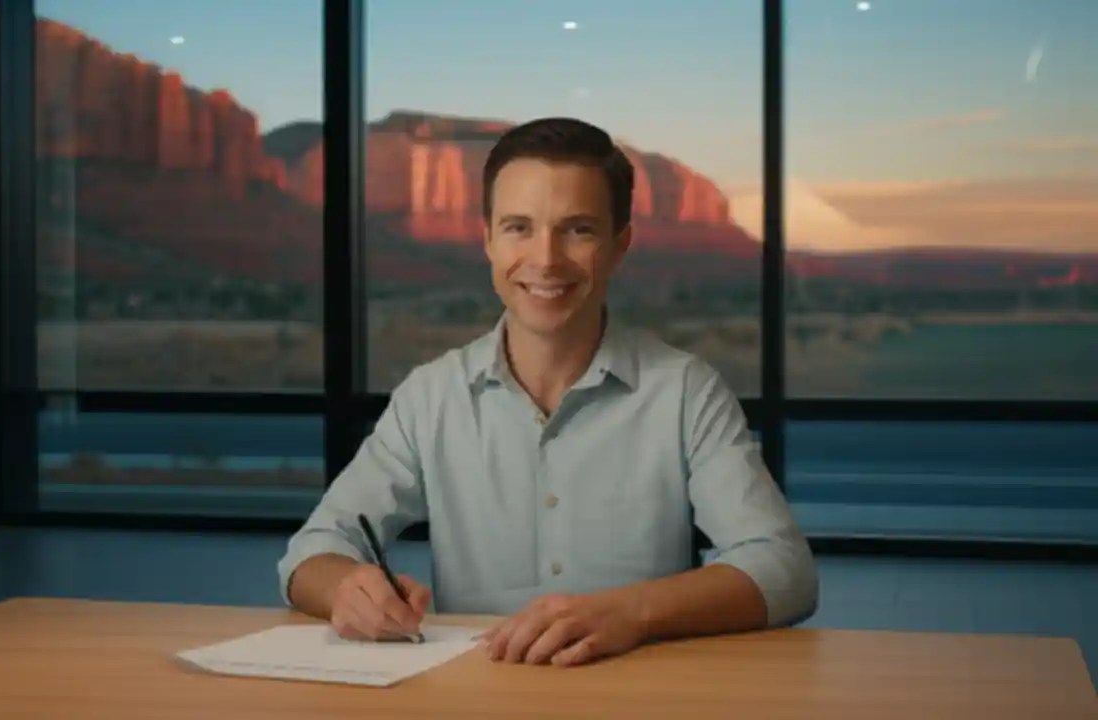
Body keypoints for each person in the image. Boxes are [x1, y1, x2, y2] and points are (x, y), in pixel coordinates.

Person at [278, 117, 818, 666]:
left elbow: (784, 569)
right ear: (487, 239)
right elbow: (311, 553)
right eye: (519, 227)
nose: (546, 259)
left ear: (619, 245)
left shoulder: (686, 393)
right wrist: (347, 590)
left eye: (578, 229)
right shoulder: (430, 397)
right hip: (480, 699)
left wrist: (628, 613)